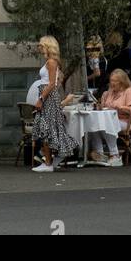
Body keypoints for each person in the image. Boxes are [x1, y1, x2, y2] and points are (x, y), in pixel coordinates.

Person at [31, 35, 78, 172]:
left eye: (41, 45)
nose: (39, 47)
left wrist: (41, 98)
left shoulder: (51, 62)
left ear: (47, 46)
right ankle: (50, 161)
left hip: (48, 98)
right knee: (49, 129)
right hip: (49, 97)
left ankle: (48, 163)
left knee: (47, 129)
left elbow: (51, 83)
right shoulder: (50, 62)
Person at [90, 68, 131, 166]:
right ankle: (100, 154)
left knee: (108, 125)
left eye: (115, 81)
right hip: (110, 119)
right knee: (93, 126)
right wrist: (99, 105)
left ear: (122, 82)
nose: (112, 83)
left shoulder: (129, 91)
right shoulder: (109, 91)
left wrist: (122, 108)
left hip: (126, 121)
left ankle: (115, 155)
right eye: (111, 81)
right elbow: (103, 107)